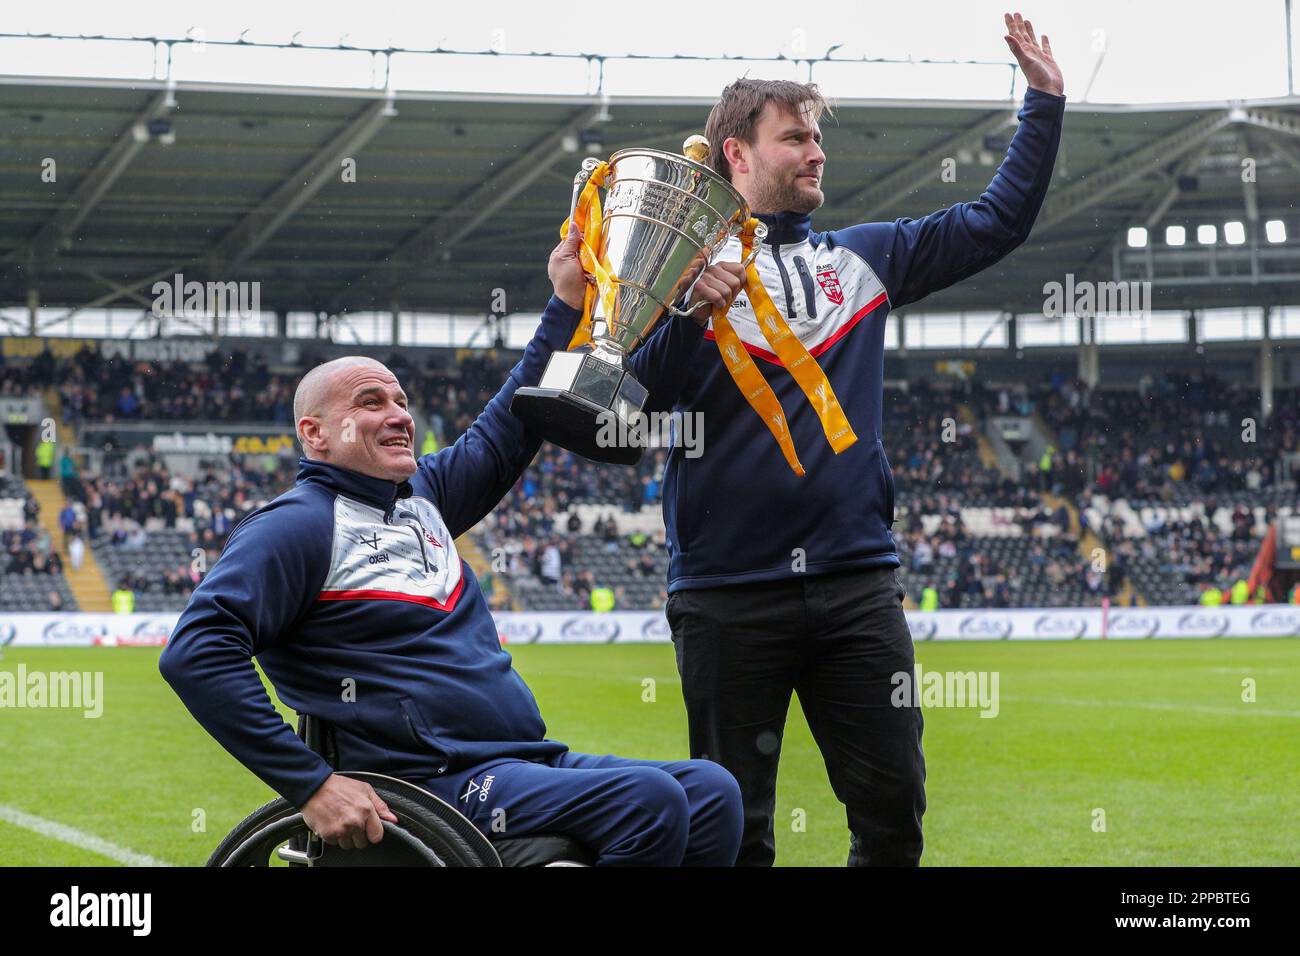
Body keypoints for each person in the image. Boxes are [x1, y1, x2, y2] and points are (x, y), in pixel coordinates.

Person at [159, 229, 747, 866]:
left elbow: (515, 418)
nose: (399, 414)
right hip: (432, 788)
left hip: (518, 761)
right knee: (648, 799)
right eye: (371, 402)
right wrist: (313, 784)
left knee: (712, 791)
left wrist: (567, 305)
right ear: (315, 434)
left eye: (402, 401)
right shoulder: (295, 526)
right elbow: (196, 651)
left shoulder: (423, 497)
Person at [651, 13, 1065, 865]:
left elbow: (996, 223)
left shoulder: (865, 259)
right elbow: (628, 403)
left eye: (817, 138)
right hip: (727, 593)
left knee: (892, 811)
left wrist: (1045, 103)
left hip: (857, 587)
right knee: (734, 832)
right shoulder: (673, 271)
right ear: (737, 153)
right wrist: (690, 313)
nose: (816, 153)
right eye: (795, 137)